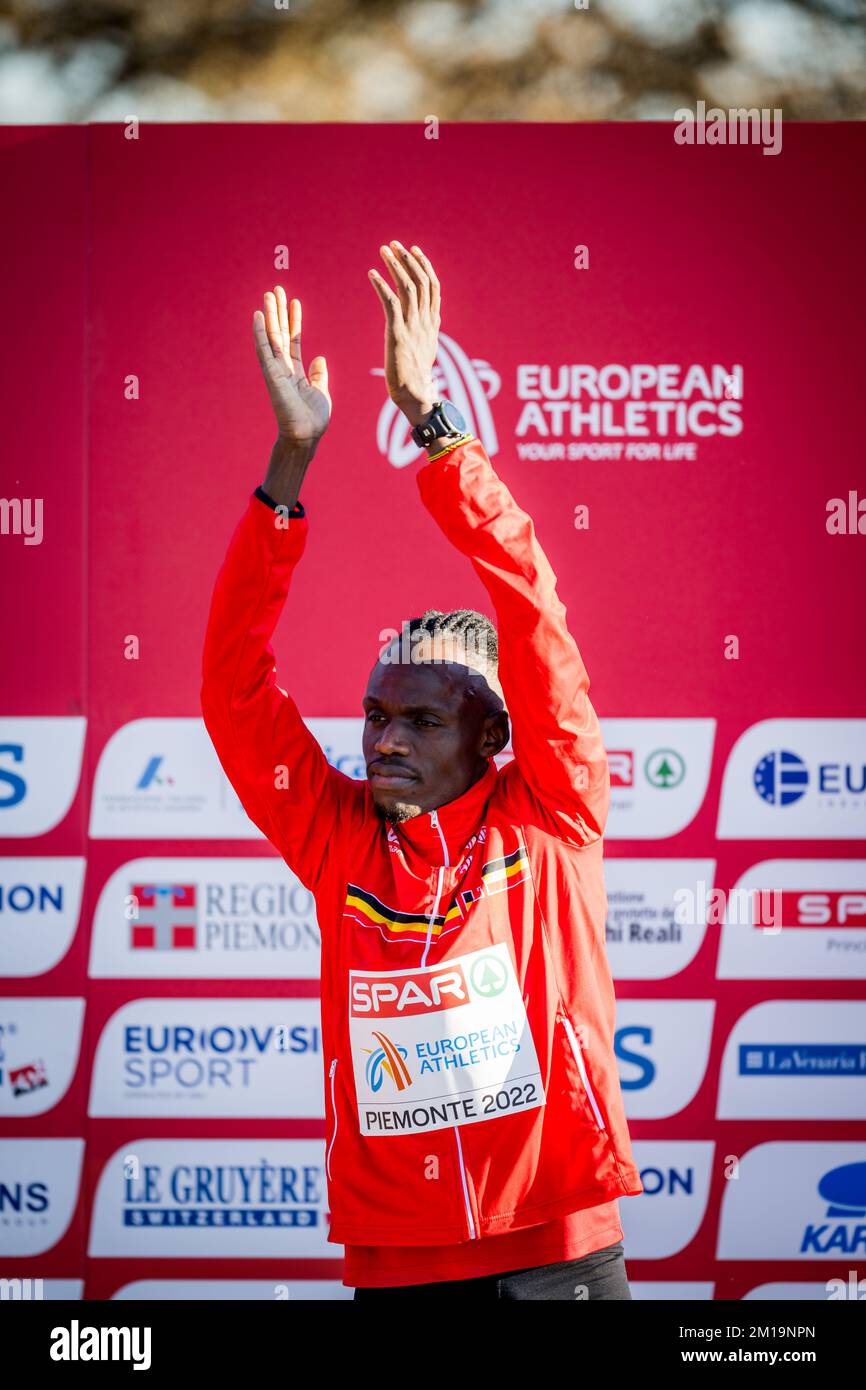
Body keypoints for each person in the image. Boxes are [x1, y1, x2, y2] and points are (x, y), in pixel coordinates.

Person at [201, 241, 643, 1300]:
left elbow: (527, 603)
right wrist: (289, 465)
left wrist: (430, 422)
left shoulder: (553, 807)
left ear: (491, 735)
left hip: (556, 1241)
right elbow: (232, 687)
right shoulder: (335, 834)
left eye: (420, 719)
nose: (383, 738)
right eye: (373, 714)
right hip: (395, 1259)